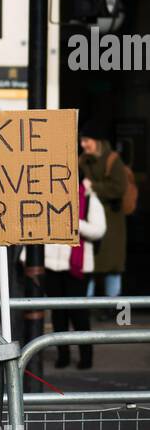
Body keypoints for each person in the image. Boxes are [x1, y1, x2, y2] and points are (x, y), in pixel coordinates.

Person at [42, 178, 106, 370]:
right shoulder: (48, 197)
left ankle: (86, 357)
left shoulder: (89, 199)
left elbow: (98, 230)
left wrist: (74, 222)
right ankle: (63, 355)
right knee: (58, 315)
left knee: (79, 315)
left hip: (77, 267)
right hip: (51, 264)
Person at [78, 120, 127, 305]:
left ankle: (115, 308)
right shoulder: (82, 160)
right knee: (88, 264)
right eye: (82, 141)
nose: (83, 145)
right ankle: (87, 305)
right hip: (89, 218)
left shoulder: (113, 160)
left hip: (112, 221)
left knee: (112, 267)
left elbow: (119, 188)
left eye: (86, 140)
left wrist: (94, 187)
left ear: (97, 140)